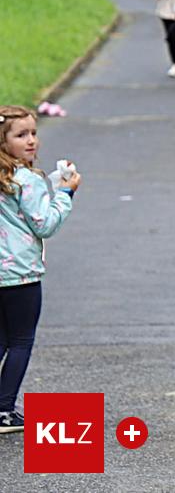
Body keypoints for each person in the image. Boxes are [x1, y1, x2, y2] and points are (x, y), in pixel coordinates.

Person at [0, 105, 81, 434]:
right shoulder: (25, 180)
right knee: (20, 341)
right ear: (3, 142)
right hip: (21, 274)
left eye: (34, 133)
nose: (32, 140)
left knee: (2, 339)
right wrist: (65, 193)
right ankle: (4, 409)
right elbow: (44, 224)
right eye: (21, 135)